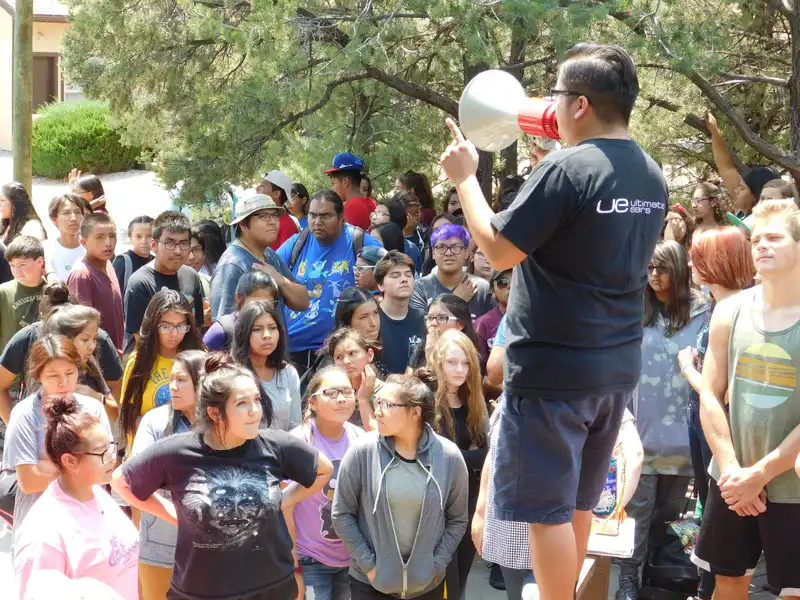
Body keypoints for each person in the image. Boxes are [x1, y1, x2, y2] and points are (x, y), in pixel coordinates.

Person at [440, 42, 667, 600]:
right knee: (580, 503)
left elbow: (497, 250)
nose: (551, 105)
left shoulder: (568, 168)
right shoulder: (651, 174)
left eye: (559, 95)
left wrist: (465, 177)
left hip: (550, 374)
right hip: (613, 370)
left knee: (545, 513)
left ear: (582, 104)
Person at [112, 354, 334, 600]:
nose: (255, 411)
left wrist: (283, 500)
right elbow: (120, 481)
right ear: (215, 413)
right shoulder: (177, 452)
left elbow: (323, 470)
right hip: (200, 593)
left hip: (272, 589)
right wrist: (171, 514)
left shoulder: (274, 445)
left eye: (257, 400)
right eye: (242, 404)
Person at [692, 200, 800, 600]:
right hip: (732, 482)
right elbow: (709, 394)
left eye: (774, 237)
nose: (762, 246)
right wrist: (734, 471)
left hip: (792, 488)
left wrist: (761, 474)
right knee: (728, 582)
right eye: (756, 239)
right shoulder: (729, 311)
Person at [473, 400, 644, 600]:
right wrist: (481, 510)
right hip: (507, 534)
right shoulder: (519, 383)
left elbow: (635, 454)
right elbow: (496, 451)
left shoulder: (591, 387)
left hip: (555, 537)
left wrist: (610, 511)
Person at [616, 240, 709, 600]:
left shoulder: (704, 312)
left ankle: (658, 583)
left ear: (679, 269)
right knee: (635, 517)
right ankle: (627, 582)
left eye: (661, 268)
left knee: (668, 521)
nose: (653, 276)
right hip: (641, 437)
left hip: (685, 440)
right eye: (649, 268)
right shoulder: (636, 310)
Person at [332, 374, 468, 600]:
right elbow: (342, 514)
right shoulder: (362, 451)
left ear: (415, 412)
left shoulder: (449, 456)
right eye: (377, 402)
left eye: (387, 405)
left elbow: (457, 519)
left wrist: (434, 566)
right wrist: (370, 566)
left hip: (427, 586)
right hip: (370, 584)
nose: (377, 411)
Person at [677, 227, 753, 600]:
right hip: (705, 427)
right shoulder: (720, 305)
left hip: (719, 432)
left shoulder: (733, 310)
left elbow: (720, 393)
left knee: (717, 509)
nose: (690, 263)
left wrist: (689, 369)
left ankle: (709, 588)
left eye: (697, 256)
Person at [13, 394, 136, 600]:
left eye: (111, 447)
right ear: (70, 461)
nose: (112, 458)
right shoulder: (44, 534)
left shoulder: (97, 494)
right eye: (102, 453)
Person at [3, 334, 112, 539]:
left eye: (70, 373)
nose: (63, 383)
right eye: (53, 376)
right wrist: (84, 467)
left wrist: (47, 465)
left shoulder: (94, 408)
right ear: (38, 377)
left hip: (88, 524)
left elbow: (106, 470)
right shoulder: (24, 414)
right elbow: (29, 481)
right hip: (39, 528)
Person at [276, 189, 381, 375]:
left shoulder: (360, 241)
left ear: (341, 217)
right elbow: (265, 272)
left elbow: (390, 275)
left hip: (340, 352)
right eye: (313, 215)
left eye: (326, 216)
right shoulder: (297, 243)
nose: (317, 222)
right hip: (293, 349)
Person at [130, 350, 205, 600]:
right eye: (171, 379)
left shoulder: (221, 423)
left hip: (211, 550)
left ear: (203, 381)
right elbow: (136, 481)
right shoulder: (155, 421)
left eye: (181, 380)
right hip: (160, 544)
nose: (172, 387)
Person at [286, 366, 365, 600]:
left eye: (347, 392)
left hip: (353, 558)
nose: (341, 399)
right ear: (312, 402)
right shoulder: (297, 442)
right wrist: (292, 561)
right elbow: (286, 506)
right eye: (331, 393)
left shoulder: (361, 440)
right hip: (309, 558)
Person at [0, 282, 124, 424]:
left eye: (70, 373)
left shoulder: (95, 345)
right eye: (53, 375)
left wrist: (96, 399)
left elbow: (114, 402)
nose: (92, 346)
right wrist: (15, 426)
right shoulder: (27, 338)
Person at [429, 330, 488, 600]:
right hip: (436, 507)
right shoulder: (426, 400)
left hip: (469, 501)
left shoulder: (472, 399)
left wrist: (469, 457)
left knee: (459, 580)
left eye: (465, 363)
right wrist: (472, 457)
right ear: (438, 362)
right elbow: (432, 457)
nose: (460, 369)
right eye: (453, 362)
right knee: (442, 582)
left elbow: (488, 454)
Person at [120, 290, 204, 448]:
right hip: (148, 450)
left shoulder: (198, 357)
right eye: (166, 326)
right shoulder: (138, 362)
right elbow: (129, 418)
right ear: (153, 325)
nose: (174, 333)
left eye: (180, 326)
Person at [211, 193, 308, 321]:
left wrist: (279, 279)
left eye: (274, 215)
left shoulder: (270, 255)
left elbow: (303, 302)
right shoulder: (232, 265)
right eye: (263, 216)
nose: (272, 222)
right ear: (243, 224)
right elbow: (224, 328)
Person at [124, 211, 205, 351]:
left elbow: (196, 329)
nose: (178, 251)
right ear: (154, 245)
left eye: (184, 243)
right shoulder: (140, 283)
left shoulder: (191, 276)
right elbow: (141, 339)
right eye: (170, 243)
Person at [232, 300, 301, 432]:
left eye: (272, 328)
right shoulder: (233, 376)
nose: (267, 335)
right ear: (243, 334)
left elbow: (295, 425)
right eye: (257, 329)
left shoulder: (288, 373)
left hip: (283, 450)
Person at [43, 304, 120, 423]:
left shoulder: (89, 365)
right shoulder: (46, 370)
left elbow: (114, 413)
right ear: (64, 339)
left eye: (94, 339)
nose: (92, 346)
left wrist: (96, 397)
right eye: (85, 339)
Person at [66, 212, 125, 351]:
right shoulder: (82, 275)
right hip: (97, 361)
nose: (108, 243)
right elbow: (82, 329)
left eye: (112, 236)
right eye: (100, 237)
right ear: (84, 242)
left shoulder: (108, 264)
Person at [410, 223, 493, 321]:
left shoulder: (481, 288)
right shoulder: (419, 288)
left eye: (456, 247)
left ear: (466, 252)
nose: (448, 253)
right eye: (441, 247)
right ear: (433, 253)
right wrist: (456, 300)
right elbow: (424, 329)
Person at [706, 114, 779, 220]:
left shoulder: (767, 222)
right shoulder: (746, 211)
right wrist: (714, 131)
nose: (736, 190)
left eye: (742, 188)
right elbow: (726, 168)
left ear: (757, 195)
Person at [376, 251, 426, 374]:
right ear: (380, 285)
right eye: (395, 276)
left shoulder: (424, 319)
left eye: (408, 275)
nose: (404, 280)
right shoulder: (372, 319)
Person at [204, 270, 279, 351]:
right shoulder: (221, 331)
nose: (262, 308)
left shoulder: (273, 329)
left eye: (268, 303)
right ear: (238, 298)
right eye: (256, 303)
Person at [324, 328, 382, 430]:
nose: (346, 361)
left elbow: (378, 438)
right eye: (339, 357)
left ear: (369, 355)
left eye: (352, 353)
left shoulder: (386, 394)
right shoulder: (332, 396)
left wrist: (363, 399)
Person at [409, 294, 481, 371]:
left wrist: (431, 357)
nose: (433, 323)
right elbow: (408, 380)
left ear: (460, 324)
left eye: (442, 318)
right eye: (430, 317)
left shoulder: (466, 354)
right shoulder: (424, 345)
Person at [0, 235, 46, 351]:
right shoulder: (3, 292)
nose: (17, 272)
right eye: (12, 266)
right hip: (11, 365)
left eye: (22, 265)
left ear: (40, 261)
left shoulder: (53, 290)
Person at [326, 153, 377, 231]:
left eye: (333, 183)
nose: (332, 189)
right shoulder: (370, 204)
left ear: (345, 182)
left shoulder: (352, 207)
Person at [43, 193, 87, 281]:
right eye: (66, 213)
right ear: (54, 219)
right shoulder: (47, 249)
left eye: (77, 212)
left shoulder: (91, 247)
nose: (74, 218)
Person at [256, 170, 301, 250]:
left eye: (263, 185)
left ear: (276, 194)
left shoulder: (287, 226)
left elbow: (283, 261)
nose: (257, 188)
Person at [113, 215, 154, 299]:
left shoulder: (156, 261)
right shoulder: (123, 262)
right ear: (130, 237)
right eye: (138, 236)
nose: (144, 241)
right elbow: (115, 296)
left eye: (149, 236)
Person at [475, 269, 512, 360]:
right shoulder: (483, 324)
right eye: (503, 282)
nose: (510, 286)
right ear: (492, 291)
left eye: (516, 281)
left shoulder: (536, 318)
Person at [385, 193, 424, 272]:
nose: (414, 219)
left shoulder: (424, 235)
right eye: (408, 215)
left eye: (416, 213)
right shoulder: (388, 237)